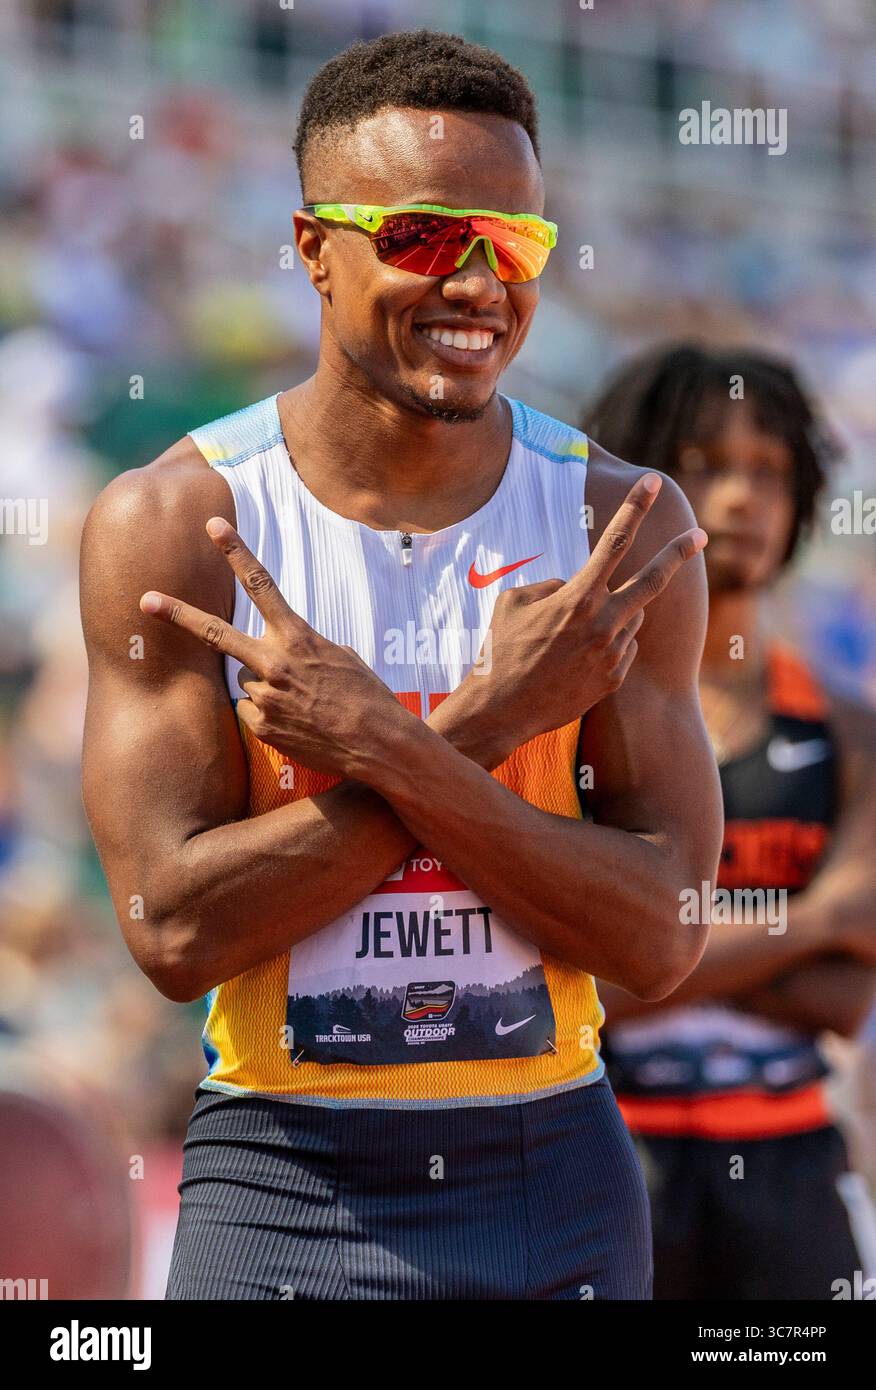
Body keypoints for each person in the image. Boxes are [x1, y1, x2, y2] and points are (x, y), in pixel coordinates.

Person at [79, 32, 721, 1301]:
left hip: (554, 1172)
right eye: (427, 239)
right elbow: (174, 930)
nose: (479, 283)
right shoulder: (174, 525)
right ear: (315, 246)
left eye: (514, 244)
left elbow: (662, 935)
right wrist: (491, 722)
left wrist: (393, 741)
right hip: (282, 1176)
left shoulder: (622, 528)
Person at [585, 343, 876, 1300]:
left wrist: (656, 951)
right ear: (633, 480)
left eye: (769, 471)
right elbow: (574, 988)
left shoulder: (853, 734)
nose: (744, 498)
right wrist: (814, 922)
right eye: (707, 465)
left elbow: (843, 999)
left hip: (793, 1179)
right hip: (605, 1166)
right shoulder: (571, 720)